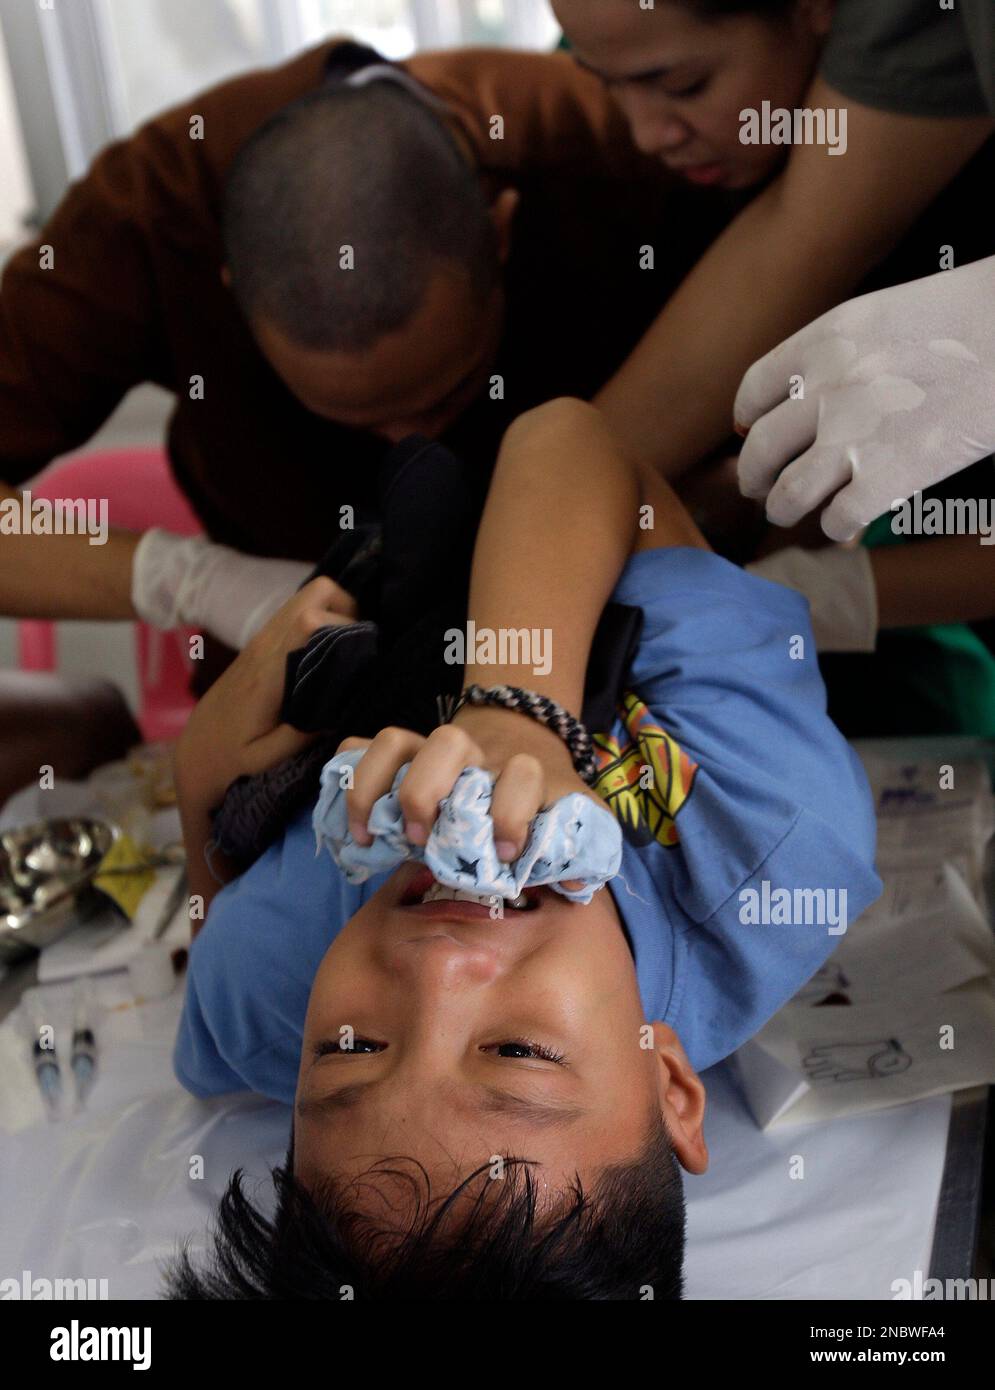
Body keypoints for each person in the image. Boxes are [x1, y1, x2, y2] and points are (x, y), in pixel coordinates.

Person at [164, 399, 880, 1299]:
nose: (438, 962)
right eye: (520, 1055)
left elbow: (207, 959)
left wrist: (200, 783)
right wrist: (517, 700)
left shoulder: (271, 987)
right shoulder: (767, 837)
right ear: (667, 1085)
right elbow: (571, 438)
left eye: (351, 1050)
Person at [0, 38, 676, 680]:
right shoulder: (148, 214)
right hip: (294, 698)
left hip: (631, 669)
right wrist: (196, 583)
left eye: (447, 396)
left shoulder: (627, 140)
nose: (407, 444)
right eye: (349, 416)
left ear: (498, 234)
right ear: (233, 290)